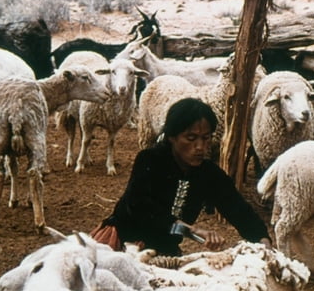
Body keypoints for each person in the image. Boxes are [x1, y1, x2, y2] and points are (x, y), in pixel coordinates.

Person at [91, 97, 271, 256]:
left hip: (163, 249)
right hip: (122, 244)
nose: (200, 147)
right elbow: (139, 207)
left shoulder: (208, 173)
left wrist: (263, 240)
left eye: (206, 138)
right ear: (172, 137)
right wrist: (190, 230)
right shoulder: (150, 160)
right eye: (191, 138)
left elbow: (237, 208)